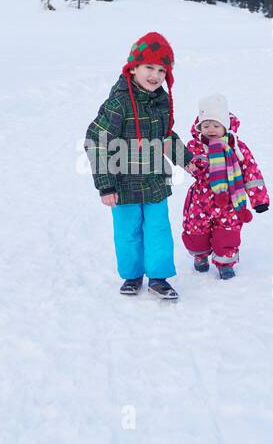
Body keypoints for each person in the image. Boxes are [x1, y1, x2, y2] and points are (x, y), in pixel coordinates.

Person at [84, 32, 197, 299]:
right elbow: (96, 141)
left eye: (161, 70)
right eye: (149, 67)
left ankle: (158, 278)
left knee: (158, 231)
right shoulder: (119, 103)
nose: (155, 75)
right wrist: (105, 184)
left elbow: (167, 135)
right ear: (133, 68)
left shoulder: (161, 102)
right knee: (128, 232)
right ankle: (132, 276)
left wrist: (187, 160)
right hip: (123, 185)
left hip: (156, 182)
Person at [181, 94, 270, 279]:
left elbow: (251, 172)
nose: (211, 130)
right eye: (206, 126)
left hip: (230, 201)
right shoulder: (195, 146)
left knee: (228, 233)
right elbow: (188, 164)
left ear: (225, 126)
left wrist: (258, 199)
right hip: (201, 200)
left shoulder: (237, 148)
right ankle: (200, 256)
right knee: (196, 230)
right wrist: (189, 164)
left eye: (215, 125)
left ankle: (225, 263)